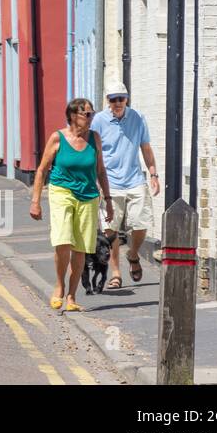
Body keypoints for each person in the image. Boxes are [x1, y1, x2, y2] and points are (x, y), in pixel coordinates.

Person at [29, 97, 114, 312]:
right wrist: (35, 202)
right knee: (62, 240)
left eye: (92, 114)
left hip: (89, 196)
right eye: (87, 114)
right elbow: (41, 170)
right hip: (61, 191)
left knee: (81, 248)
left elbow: (101, 171)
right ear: (73, 116)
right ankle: (59, 285)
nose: (90, 117)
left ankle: (72, 296)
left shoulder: (95, 139)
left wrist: (109, 201)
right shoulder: (58, 138)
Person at [90, 82, 160, 289]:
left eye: (121, 98)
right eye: (113, 99)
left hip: (135, 179)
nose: (118, 103)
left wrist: (154, 173)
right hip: (109, 182)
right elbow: (94, 153)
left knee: (141, 224)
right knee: (110, 231)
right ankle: (116, 273)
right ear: (107, 101)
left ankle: (133, 254)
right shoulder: (99, 121)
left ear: (127, 99)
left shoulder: (138, 118)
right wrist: (96, 182)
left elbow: (145, 147)